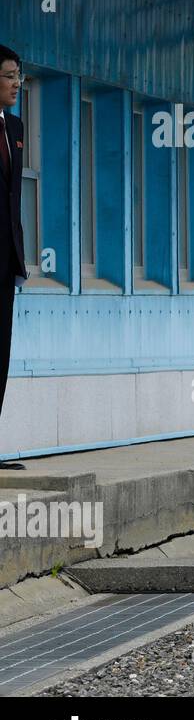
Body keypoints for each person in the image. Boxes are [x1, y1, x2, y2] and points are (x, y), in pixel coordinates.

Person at [0, 45, 26, 470]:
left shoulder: (15, 125)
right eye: (9, 75)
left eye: (19, 75)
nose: (16, 83)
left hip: (6, 261)